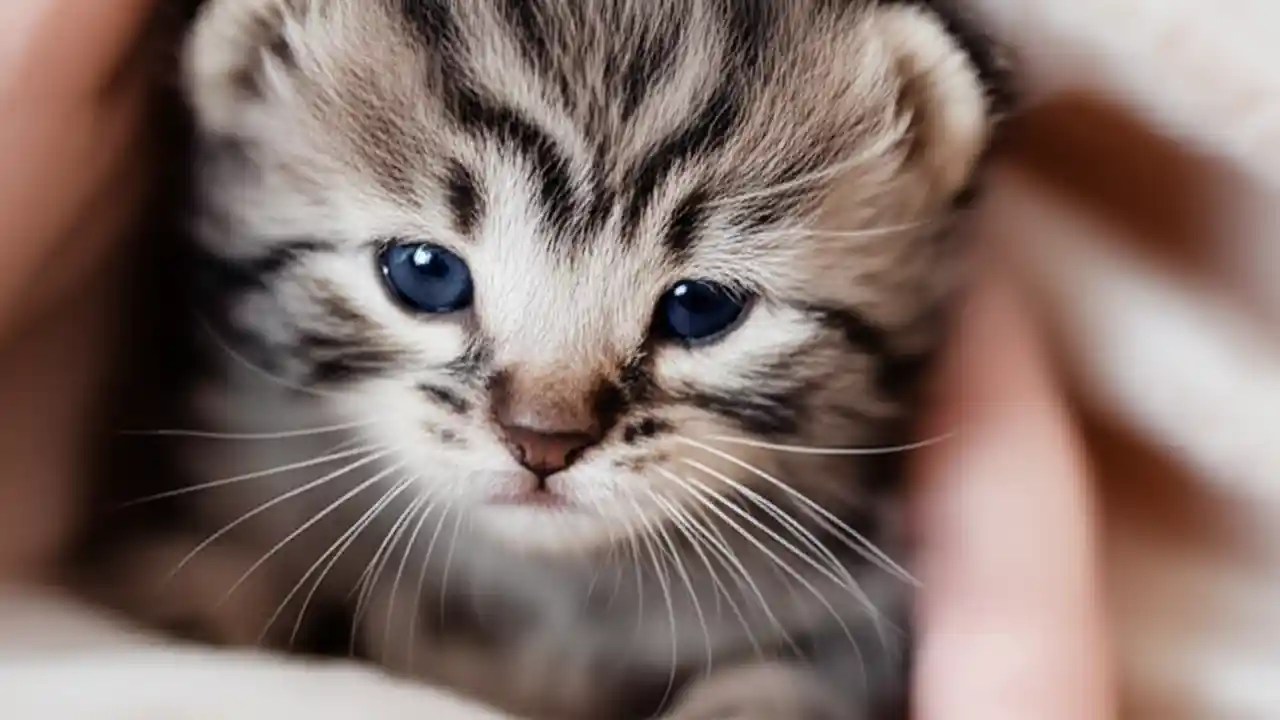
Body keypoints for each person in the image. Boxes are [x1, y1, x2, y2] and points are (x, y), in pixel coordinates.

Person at [0, 2, 1113, 718]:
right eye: (424, 276)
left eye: (699, 306)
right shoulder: (264, 489)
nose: (543, 422)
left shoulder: (815, 563)